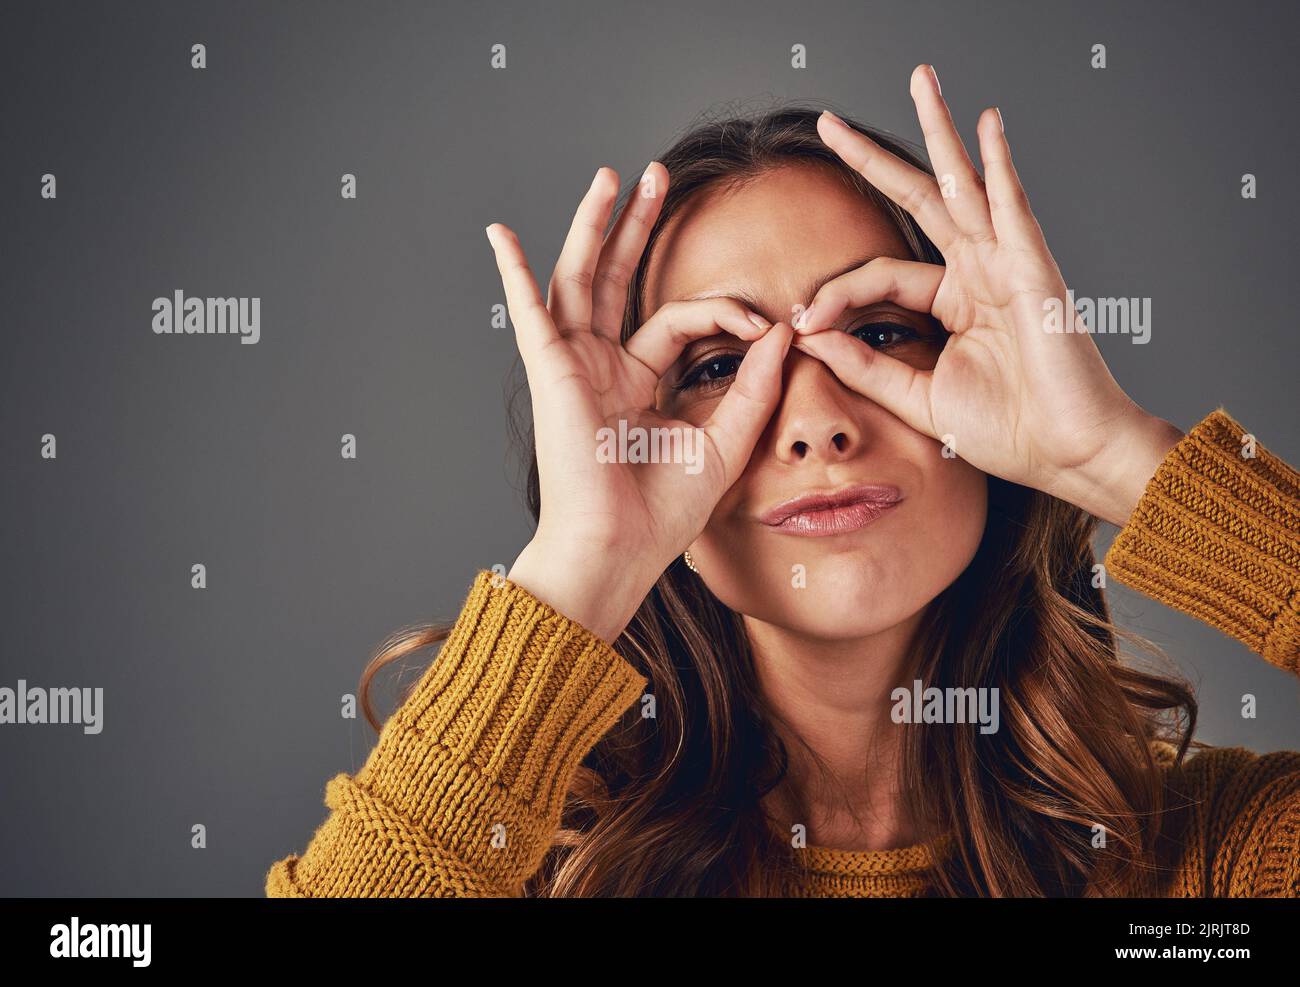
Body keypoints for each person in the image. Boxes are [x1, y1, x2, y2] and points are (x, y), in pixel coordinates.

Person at [266, 65, 1300, 897]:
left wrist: (1112, 457)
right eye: (719, 368)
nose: (813, 423)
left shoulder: (1203, 866)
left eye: (881, 335)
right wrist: (581, 570)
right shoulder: (529, 864)